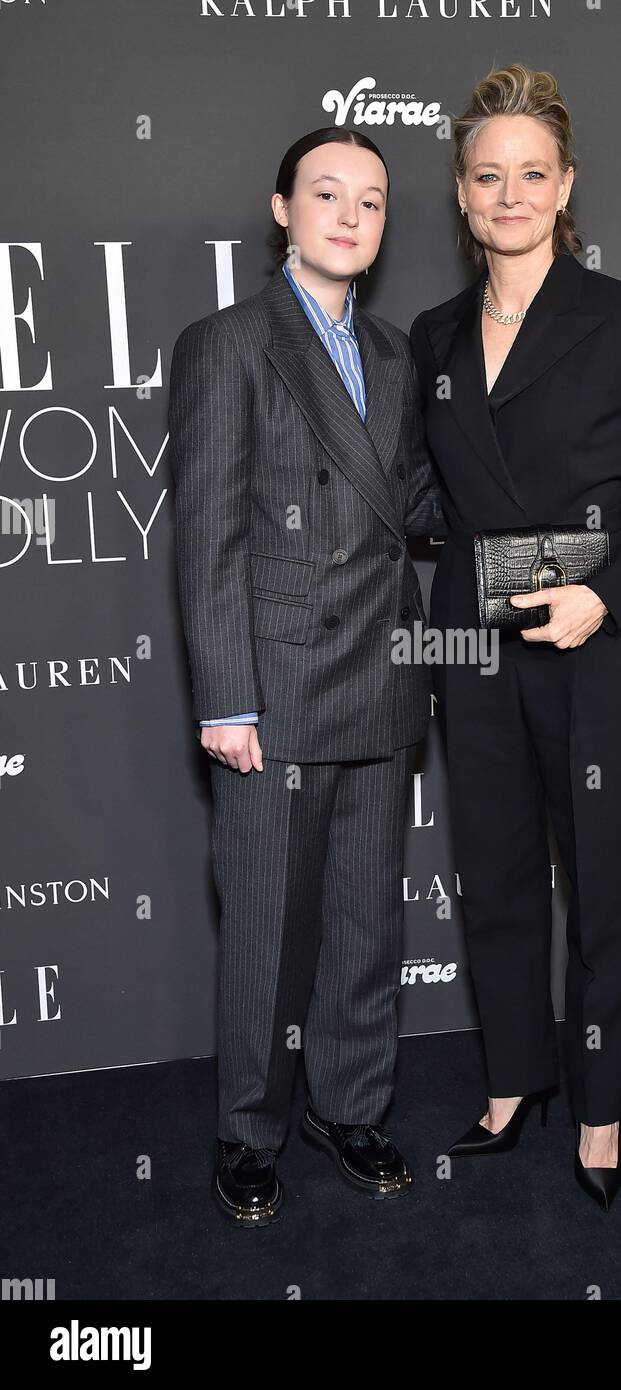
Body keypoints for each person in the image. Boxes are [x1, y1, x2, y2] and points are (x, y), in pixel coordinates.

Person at [409, 64, 621, 1209]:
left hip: (594, 635)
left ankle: (596, 1107)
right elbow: (424, 496)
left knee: (597, 879)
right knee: (489, 872)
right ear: (459, 191)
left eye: (529, 173)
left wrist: (608, 596)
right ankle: (509, 1080)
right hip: (473, 639)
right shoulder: (431, 335)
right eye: (487, 175)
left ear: (564, 185)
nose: (508, 193)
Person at [168, 128, 443, 1226]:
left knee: (368, 922)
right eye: (325, 193)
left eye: (370, 201)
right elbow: (207, 533)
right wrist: (227, 696)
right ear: (281, 208)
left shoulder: (391, 355)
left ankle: (352, 1106)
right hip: (275, 691)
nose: (348, 214)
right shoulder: (228, 343)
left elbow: (417, 504)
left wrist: (532, 498)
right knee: (270, 937)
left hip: (382, 671)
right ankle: (248, 1131)